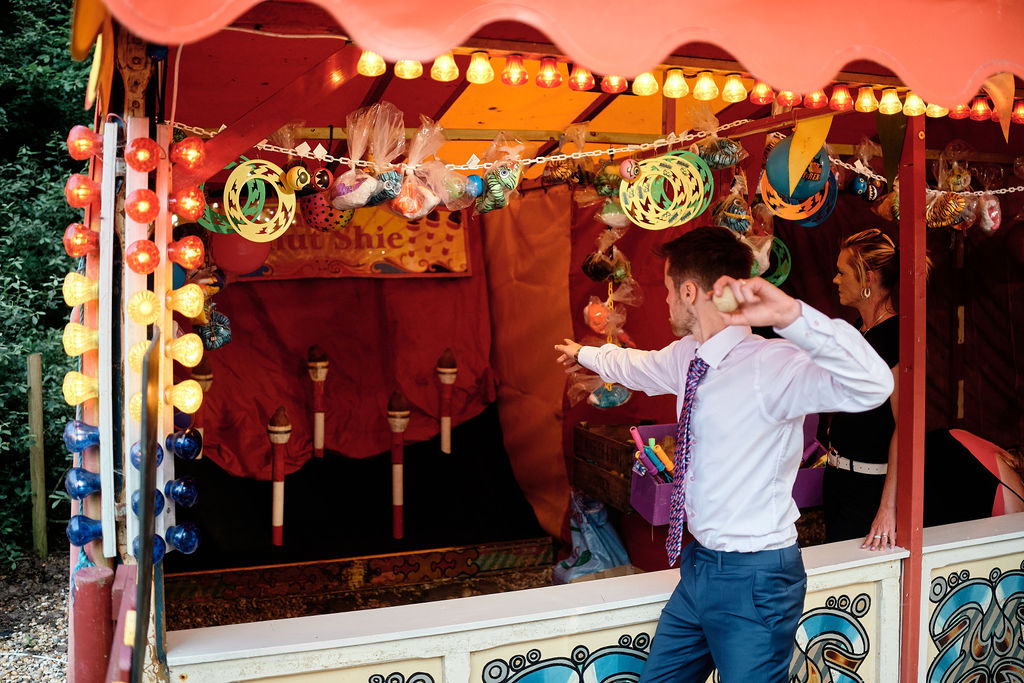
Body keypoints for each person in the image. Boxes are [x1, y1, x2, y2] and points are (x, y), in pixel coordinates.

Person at [554, 226, 893, 682]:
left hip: (756, 577)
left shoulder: (772, 364)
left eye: (669, 289)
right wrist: (586, 355)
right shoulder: (688, 356)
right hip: (699, 567)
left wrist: (791, 315)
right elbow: (638, 365)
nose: (666, 301)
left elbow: (873, 385)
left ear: (689, 292)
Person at [824, 228, 902, 550]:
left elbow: (905, 427)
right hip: (837, 479)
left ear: (867, 278)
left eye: (842, 272)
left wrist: (888, 507)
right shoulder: (860, 329)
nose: (835, 280)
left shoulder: (896, 335)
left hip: (868, 490)